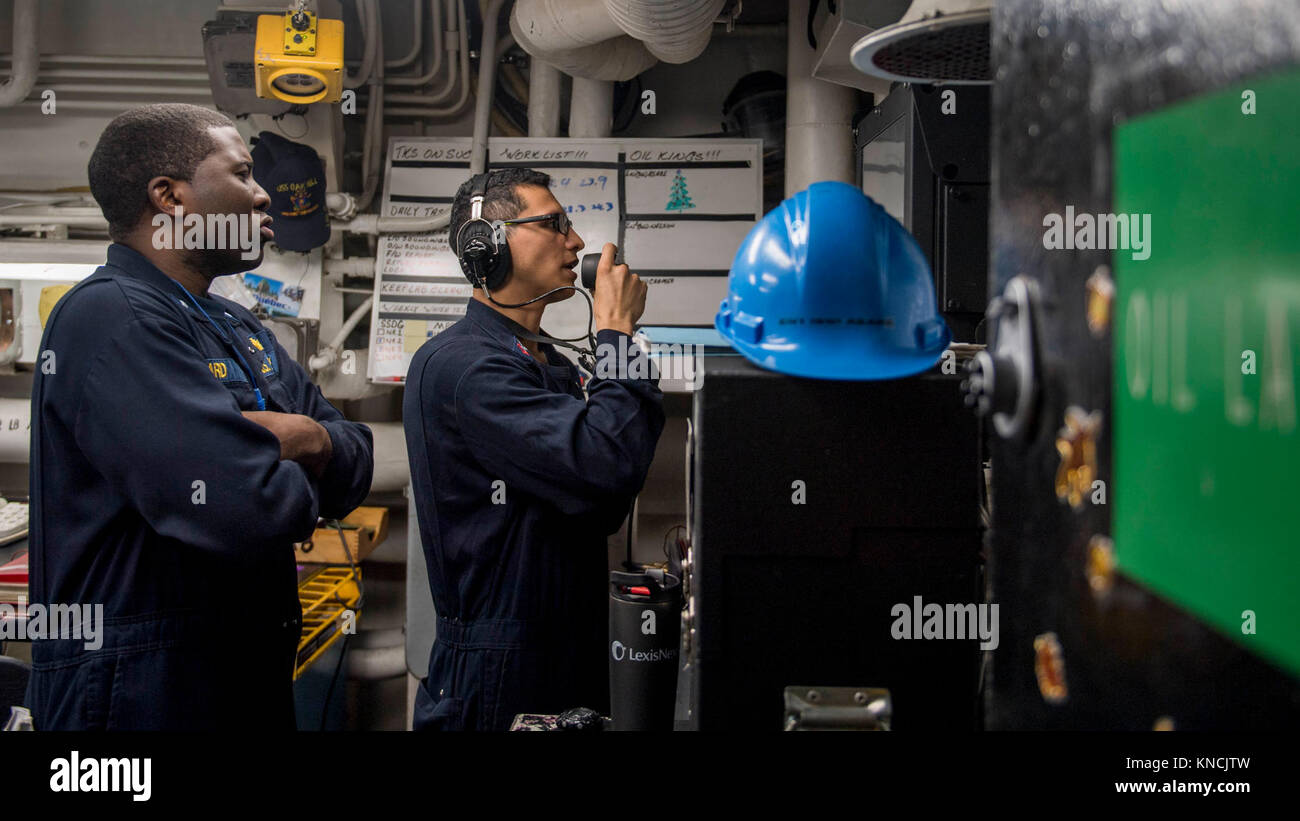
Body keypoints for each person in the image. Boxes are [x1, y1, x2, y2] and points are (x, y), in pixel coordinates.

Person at [25, 103, 374, 730]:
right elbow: (242, 505)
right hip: (139, 692)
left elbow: (354, 466)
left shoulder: (239, 326)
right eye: (242, 174)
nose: (264, 196)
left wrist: (308, 437)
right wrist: (286, 462)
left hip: (234, 674)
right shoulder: (112, 316)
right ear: (170, 196)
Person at [404, 168, 665, 731]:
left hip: (568, 647)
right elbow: (606, 465)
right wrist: (616, 333)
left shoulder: (552, 366)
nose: (574, 242)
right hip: (503, 669)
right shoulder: (463, 366)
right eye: (553, 224)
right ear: (488, 244)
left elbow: (603, 498)